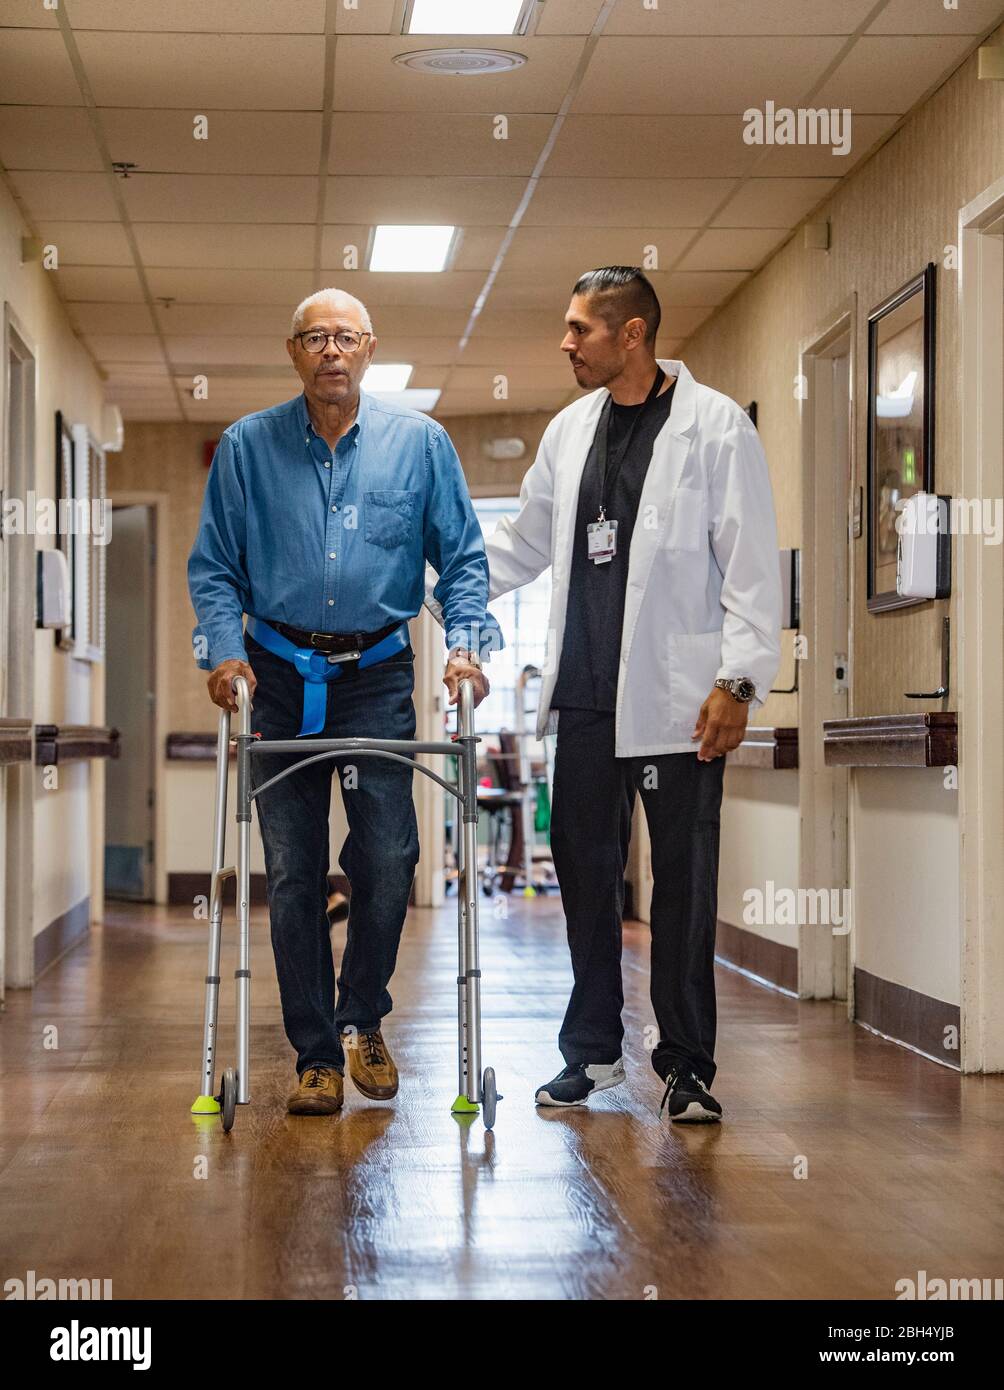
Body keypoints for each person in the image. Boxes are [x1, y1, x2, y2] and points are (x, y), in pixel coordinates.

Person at [479, 266, 781, 1121]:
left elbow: (753, 568)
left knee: (681, 882)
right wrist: (443, 586)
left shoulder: (716, 429)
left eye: (581, 329)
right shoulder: (571, 430)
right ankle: (593, 1054)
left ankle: (685, 1066)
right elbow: (523, 542)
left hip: (682, 698)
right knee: (586, 875)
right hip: (585, 696)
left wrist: (737, 681)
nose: (566, 343)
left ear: (633, 334)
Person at [188, 288, 491, 1116]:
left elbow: (462, 561)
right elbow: (214, 568)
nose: (331, 351)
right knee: (292, 871)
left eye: (345, 337)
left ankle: (363, 1019)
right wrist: (222, 655)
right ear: (293, 352)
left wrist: (466, 646)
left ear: (369, 348)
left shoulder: (420, 446)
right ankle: (316, 1054)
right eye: (315, 338)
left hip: (377, 675)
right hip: (275, 675)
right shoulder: (248, 448)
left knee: (388, 857)